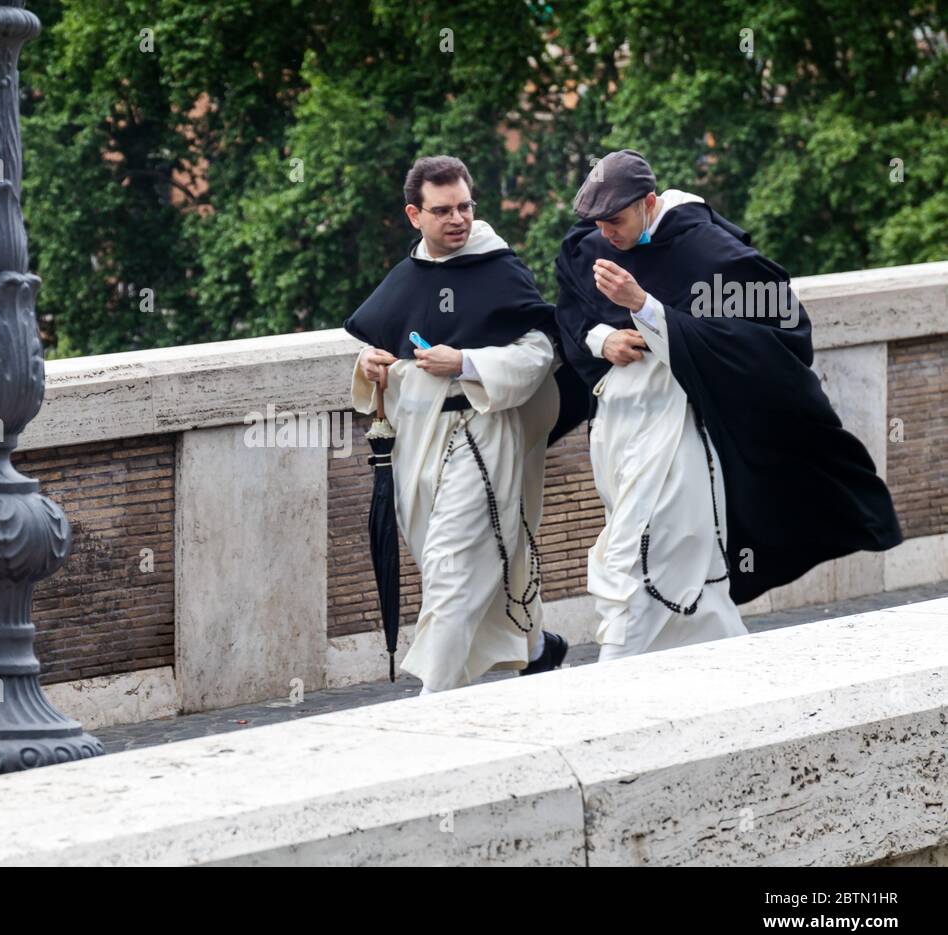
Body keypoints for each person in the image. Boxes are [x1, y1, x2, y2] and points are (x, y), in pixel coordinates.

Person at [555, 149, 901, 660]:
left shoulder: (711, 253)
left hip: (680, 437)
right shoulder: (591, 247)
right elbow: (570, 311)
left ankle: (613, 683)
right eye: (598, 222)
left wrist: (645, 308)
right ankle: (728, 671)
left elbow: (773, 338)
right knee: (682, 573)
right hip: (618, 438)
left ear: (649, 202)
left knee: (640, 563)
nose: (606, 233)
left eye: (617, 220)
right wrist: (601, 339)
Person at [345, 155, 584, 693]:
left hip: (485, 434)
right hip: (419, 446)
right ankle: (538, 647)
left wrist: (469, 364)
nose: (458, 219)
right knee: (447, 562)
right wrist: (368, 366)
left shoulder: (498, 267)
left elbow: (541, 350)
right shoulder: (406, 278)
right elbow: (384, 350)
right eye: (443, 210)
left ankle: (434, 698)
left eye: (465, 206)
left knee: (454, 566)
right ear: (415, 214)